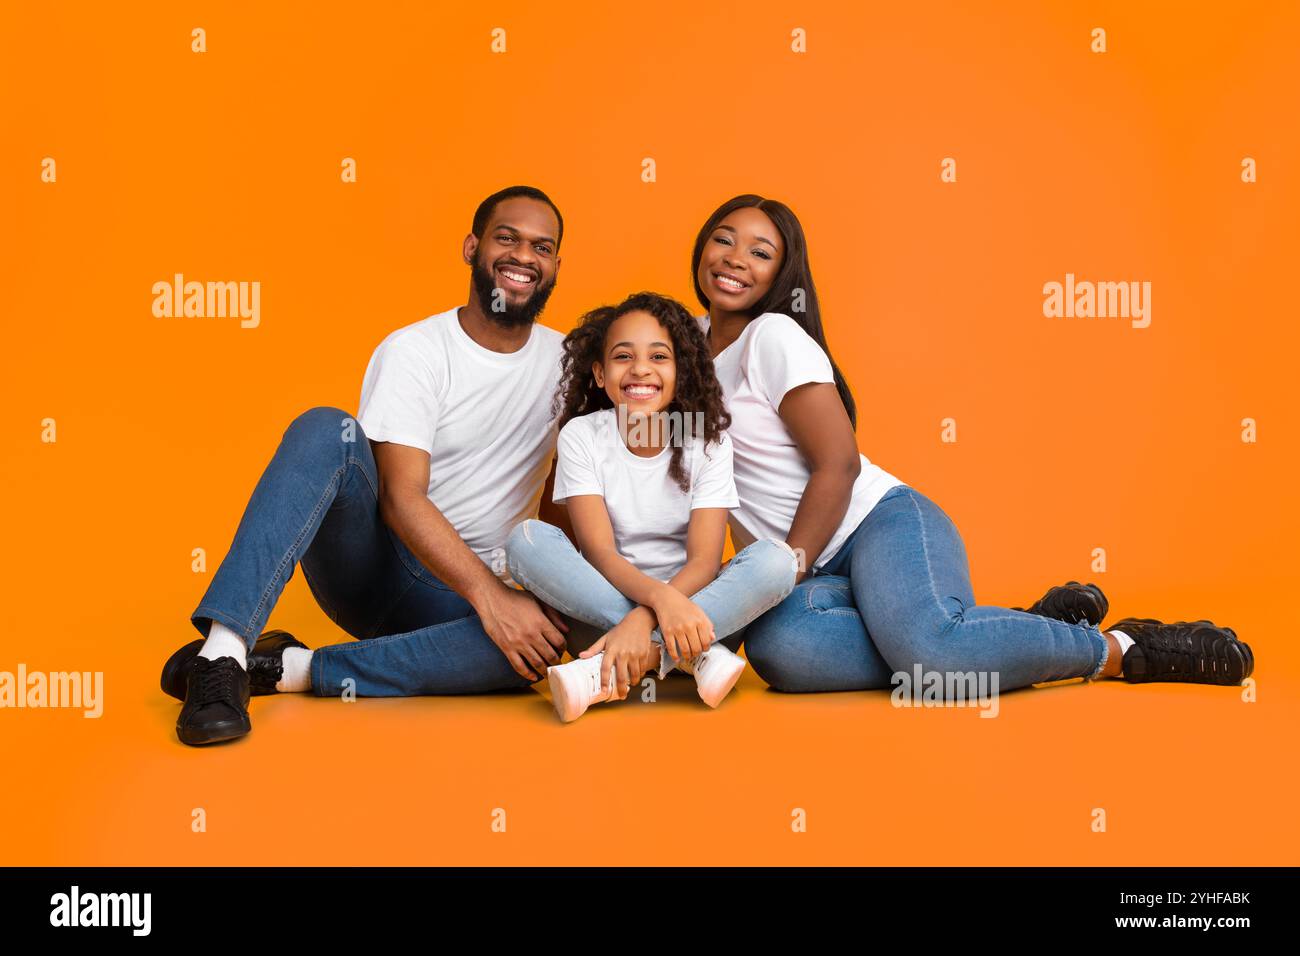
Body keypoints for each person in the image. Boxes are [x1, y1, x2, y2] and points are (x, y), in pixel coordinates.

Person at [687, 194, 1255, 695]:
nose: (737, 259)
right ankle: (993, 632)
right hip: (814, 566)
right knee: (784, 654)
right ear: (702, 248)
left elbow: (839, 464)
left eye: (761, 253)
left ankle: (1120, 649)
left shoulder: (773, 336)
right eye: (725, 240)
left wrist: (790, 573)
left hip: (878, 525)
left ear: (783, 276)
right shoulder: (679, 347)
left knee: (930, 655)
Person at [161, 185, 577, 745]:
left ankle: (288, 670)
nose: (524, 256)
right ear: (472, 247)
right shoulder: (416, 351)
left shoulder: (571, 363)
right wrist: (493, 599)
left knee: (533, 654)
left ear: (554, 265)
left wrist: (532, 596)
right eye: (507, 238)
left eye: (542, 247)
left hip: (452, 609)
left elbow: (584, 475)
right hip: (379, 572)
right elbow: (402, 497)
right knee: (325, 428)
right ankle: (222, 656)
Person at [505, 292, 798, 722]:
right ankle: (695, 659)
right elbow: (600, 553)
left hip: (703, 613)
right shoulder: (582, 436)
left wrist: (647, 620)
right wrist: (654, 606)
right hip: (601, 616)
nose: (640, 368)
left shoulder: (709, 442)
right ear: (601, 374)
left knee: (777, 560)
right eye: (624, 356)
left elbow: (704, 560)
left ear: (681, 373)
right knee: (525, 540)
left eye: (659, 356)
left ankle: (609, 671)